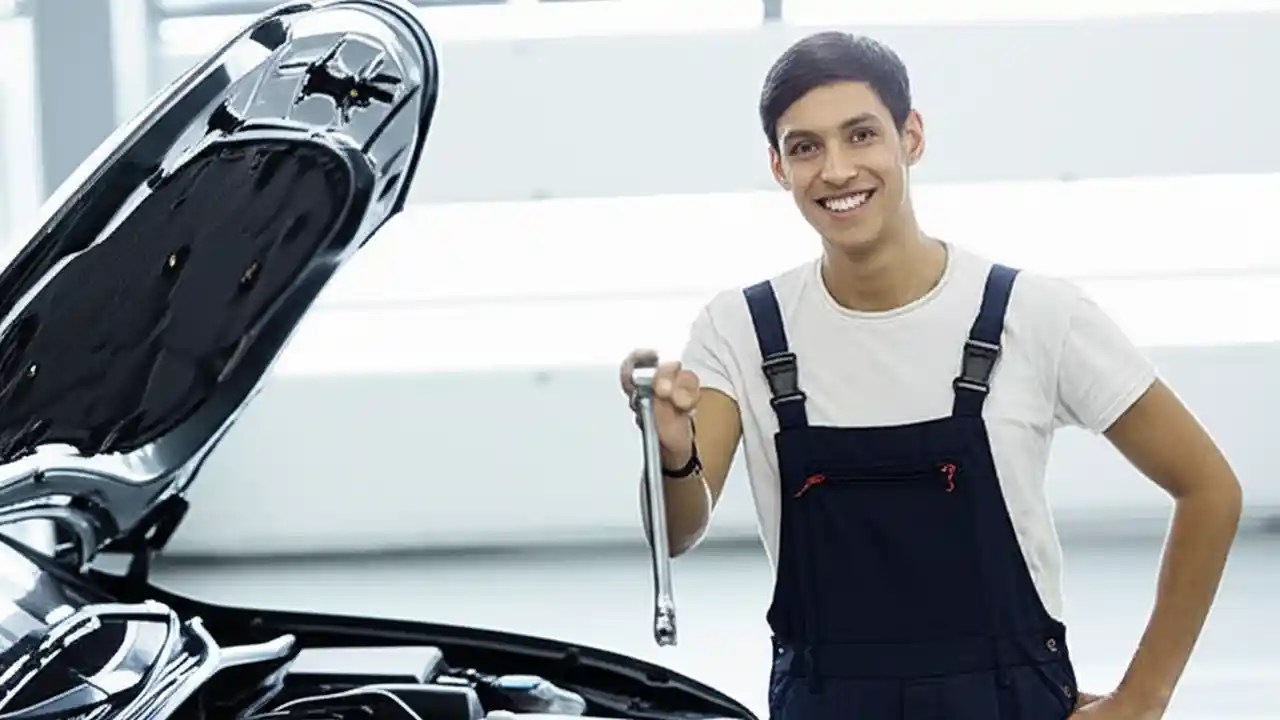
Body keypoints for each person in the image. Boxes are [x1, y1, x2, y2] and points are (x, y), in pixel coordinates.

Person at [619, 31, 1242, 720]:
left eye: (860, 135)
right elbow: (675, 534)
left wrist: (1142, 698)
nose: (836, 170)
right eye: (805, 147)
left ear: (910, 137)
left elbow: (1209, 488)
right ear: (777, 165)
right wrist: (671, 454)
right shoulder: (740, 329)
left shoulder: (1032, 315)